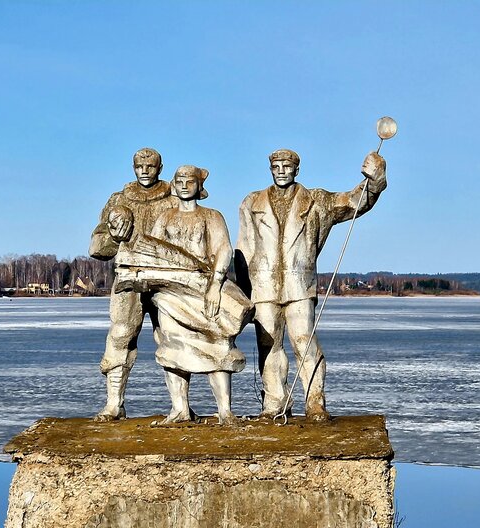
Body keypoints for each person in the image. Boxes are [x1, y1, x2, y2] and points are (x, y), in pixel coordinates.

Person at [235, 148, 387, 421]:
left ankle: (314, 402)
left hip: (299, 284)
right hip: (264, 285)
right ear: (270, 169)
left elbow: (355, 201)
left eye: (287, 166)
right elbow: (243, 249)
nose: (281, 170)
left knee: (304, 342)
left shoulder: (317, 201)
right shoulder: (251, 202)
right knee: (268, 345)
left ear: (297, 169)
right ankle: (274, 404)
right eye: (276, 166)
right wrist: (242, 290)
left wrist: (374, 181)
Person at [119, 165, 252, 424]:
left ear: (198, 185)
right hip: (169, 295)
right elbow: (153, 252)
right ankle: (179, 409)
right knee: (172, 348)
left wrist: (215, 285)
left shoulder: (212, 216)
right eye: (178, 181)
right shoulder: (165, 217)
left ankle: (224, 410)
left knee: (217, 347)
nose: (182, 185)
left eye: (188, 181)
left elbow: (223, 250)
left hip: (204, 291)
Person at [88, 147, 175, 421]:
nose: (145, 171)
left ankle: (180, 405)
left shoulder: (175, 198)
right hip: (128, 280)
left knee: (173, 338)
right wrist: (114, 235)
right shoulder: (119, 200)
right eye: (140, 166)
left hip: (166, 281)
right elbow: (97, 246)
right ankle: (114, 403)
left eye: (150, 166)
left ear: (160, 168)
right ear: (133, 168)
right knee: (121, 335)